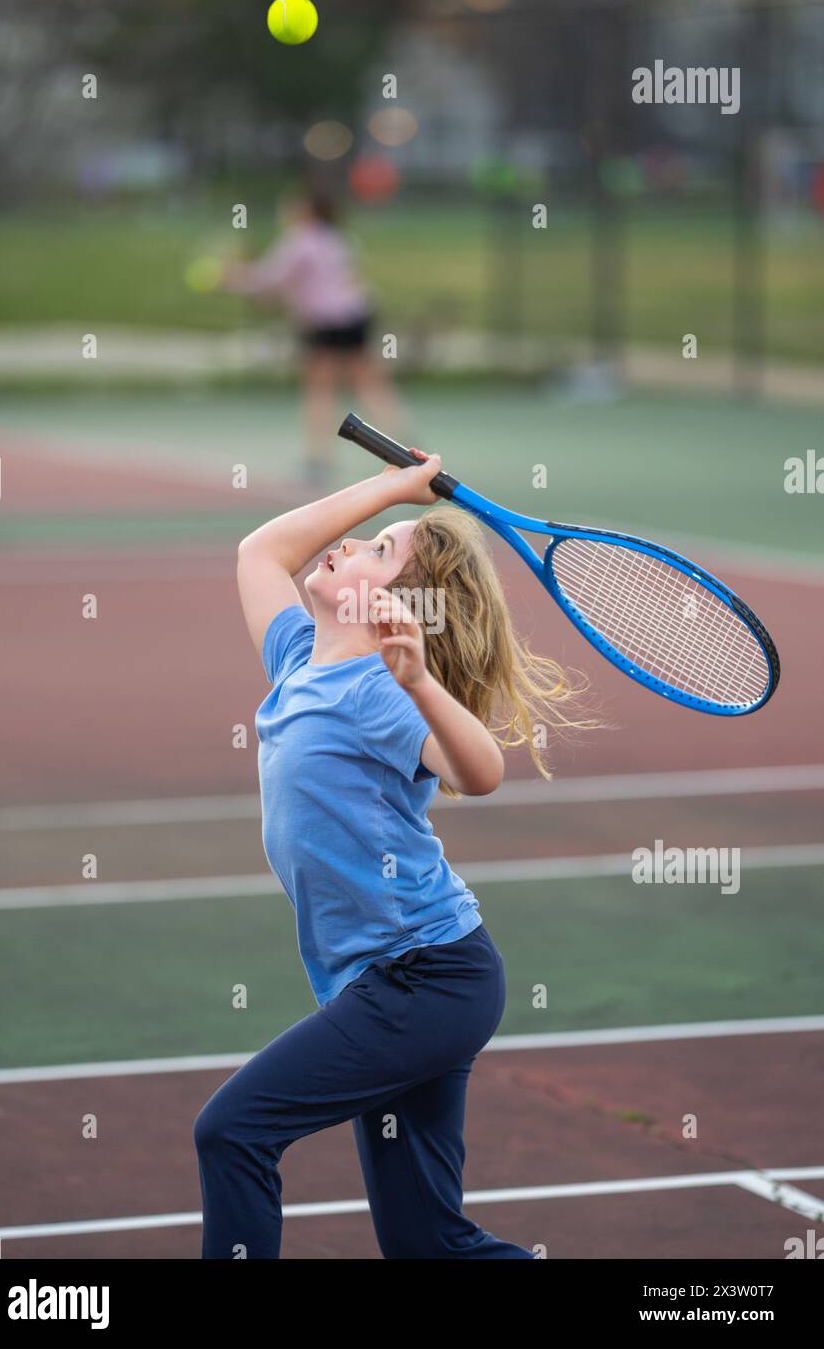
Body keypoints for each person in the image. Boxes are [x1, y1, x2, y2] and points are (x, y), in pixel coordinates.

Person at [193, 448, 594, 1259]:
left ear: (401, 605)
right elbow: (261, 551)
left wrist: (418, 679)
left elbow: (480, 773)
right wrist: (393, 489)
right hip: (393, 982)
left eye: (380, 549)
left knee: (231, 1132)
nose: (349, 545)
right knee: (427, 1246)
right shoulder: (298, 658)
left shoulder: (382, 690)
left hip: (428, 979)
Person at [219, 185, 406, 487]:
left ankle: (319, 458)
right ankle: (404, 445)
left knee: (320, 387)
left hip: (326, 323)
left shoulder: (300, 241)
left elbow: (268, 279)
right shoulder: (340, 239)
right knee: (368, 379)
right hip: (357, 316)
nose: (289, 210)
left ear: (308, 210)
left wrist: (231, 277)